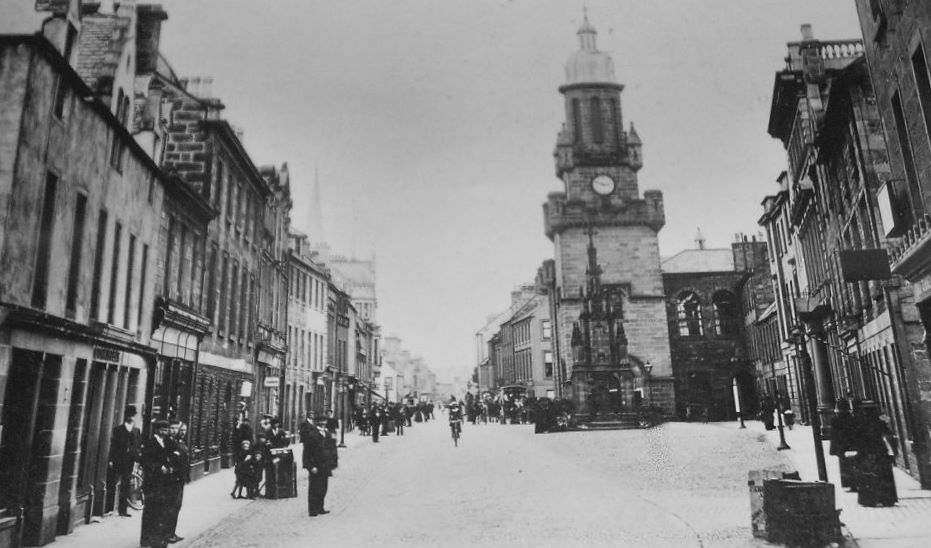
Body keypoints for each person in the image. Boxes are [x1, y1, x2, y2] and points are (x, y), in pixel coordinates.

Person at [140, 420, 177, 548]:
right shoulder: (150, 443)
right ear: (157, 430)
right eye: (163, 429)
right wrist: (158, 467)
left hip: (165, 483)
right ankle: (145, 540)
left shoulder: (167, 442)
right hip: (152, 483)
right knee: (150, 511)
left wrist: (170, 466)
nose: (165, 432)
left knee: (161, 511)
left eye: (166, 430)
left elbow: (172, 456)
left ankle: (158, 540)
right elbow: (145, 461)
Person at [854, 404, 898, 507]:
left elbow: (856, 439)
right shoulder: (880, 423)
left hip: (866, 452)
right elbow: (887, 434)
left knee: (867, 475)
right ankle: (887, 499)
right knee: (884, 475)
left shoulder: (860, 423)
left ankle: (869, 500)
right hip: (880, 451)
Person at [108, 405, 141, 517]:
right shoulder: (118, 430)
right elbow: (113, 446)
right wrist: (111, 459)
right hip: (118, 459)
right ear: (126, 416)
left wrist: (137, 460)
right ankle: (109, 508)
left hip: (129, 461)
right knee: (113, 482)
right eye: (129, 415)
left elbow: (137, 446)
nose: (131, 418)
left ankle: (123, 510)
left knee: (126, 484)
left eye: (133, 416)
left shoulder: (136, 431)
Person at [301, 415, 332, 516]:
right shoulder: (312, 435)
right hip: (316, 466)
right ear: (317, 422)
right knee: (314, 488)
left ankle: (320, 507)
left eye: (325, 421)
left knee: (323, 487)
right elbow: (307, 453)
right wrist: (310, 466)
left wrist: (331, 463)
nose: (323, 423)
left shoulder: (327, 434)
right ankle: (313, 510)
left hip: (325, 466)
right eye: (321, 421)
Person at [165, 421, 189, 544]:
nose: (183, 432)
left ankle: (171, 532)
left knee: (176, 507)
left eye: (185, 430)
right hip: (174, 480)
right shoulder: (173, 444)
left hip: (180, 480)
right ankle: (168, 534)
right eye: (181, 430)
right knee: (172, 507)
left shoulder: (181, 443)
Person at [829, 399, 856, 491]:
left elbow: (833, 435)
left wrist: (833, 449)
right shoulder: (852, 418)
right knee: (854, 464)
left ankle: (848, 484)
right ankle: (854, 484)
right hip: (852, 444)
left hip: (841, 446)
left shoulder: (835, 420)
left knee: (844, 466)